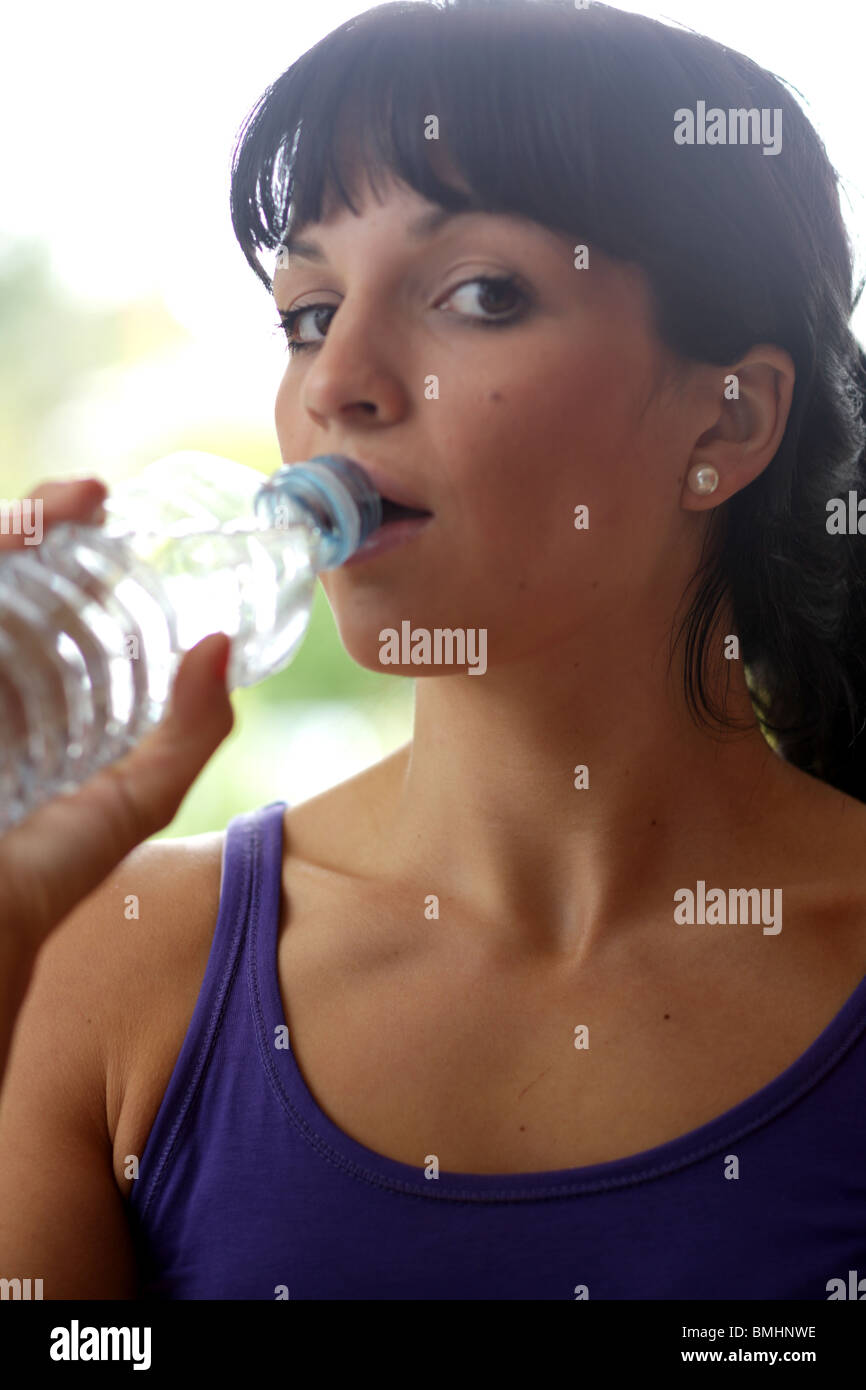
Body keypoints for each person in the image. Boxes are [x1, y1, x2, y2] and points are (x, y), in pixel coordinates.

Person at [2, 0, 866, 1300]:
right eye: (305, 309)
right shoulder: (114, 963)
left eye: (478, 292)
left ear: (725, 420)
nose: (334, 380)